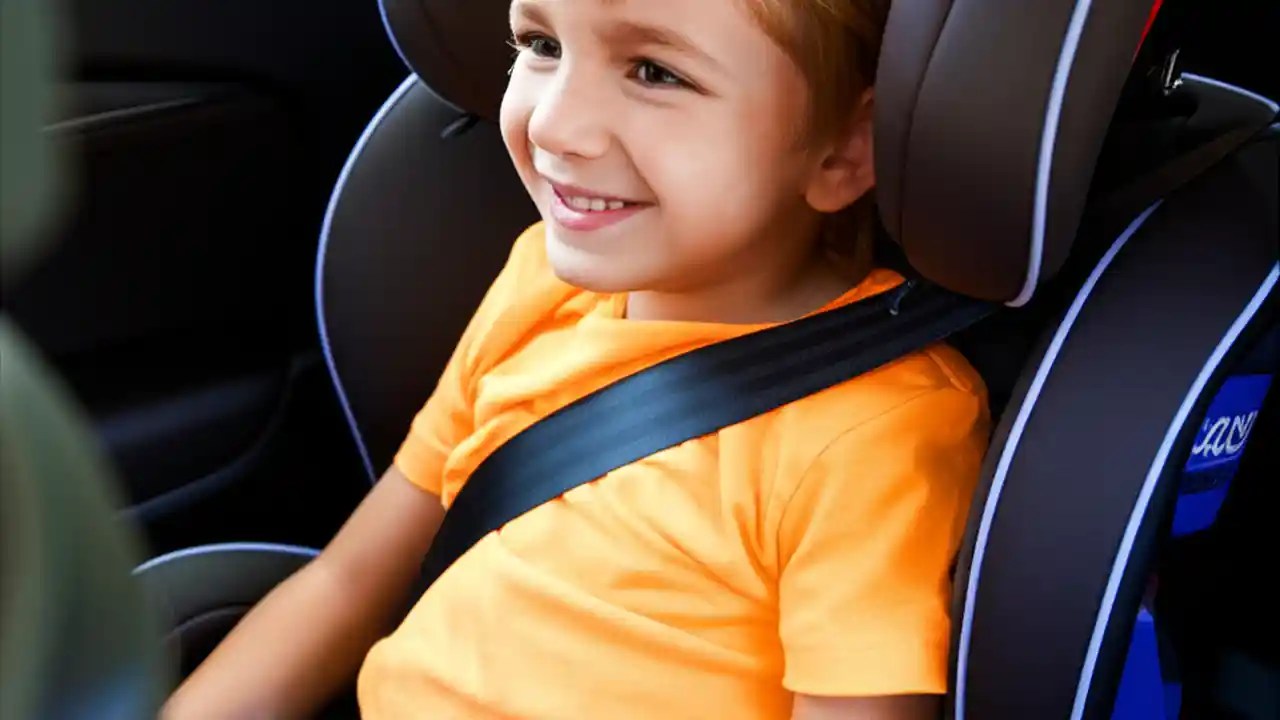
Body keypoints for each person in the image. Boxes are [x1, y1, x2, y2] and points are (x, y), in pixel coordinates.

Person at [163, 0, 990, 717]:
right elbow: (348, 583)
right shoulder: (540, 288)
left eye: (656, 73)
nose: (553, 122)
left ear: (844, 150)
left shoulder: (877, 432)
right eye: (540, 44)